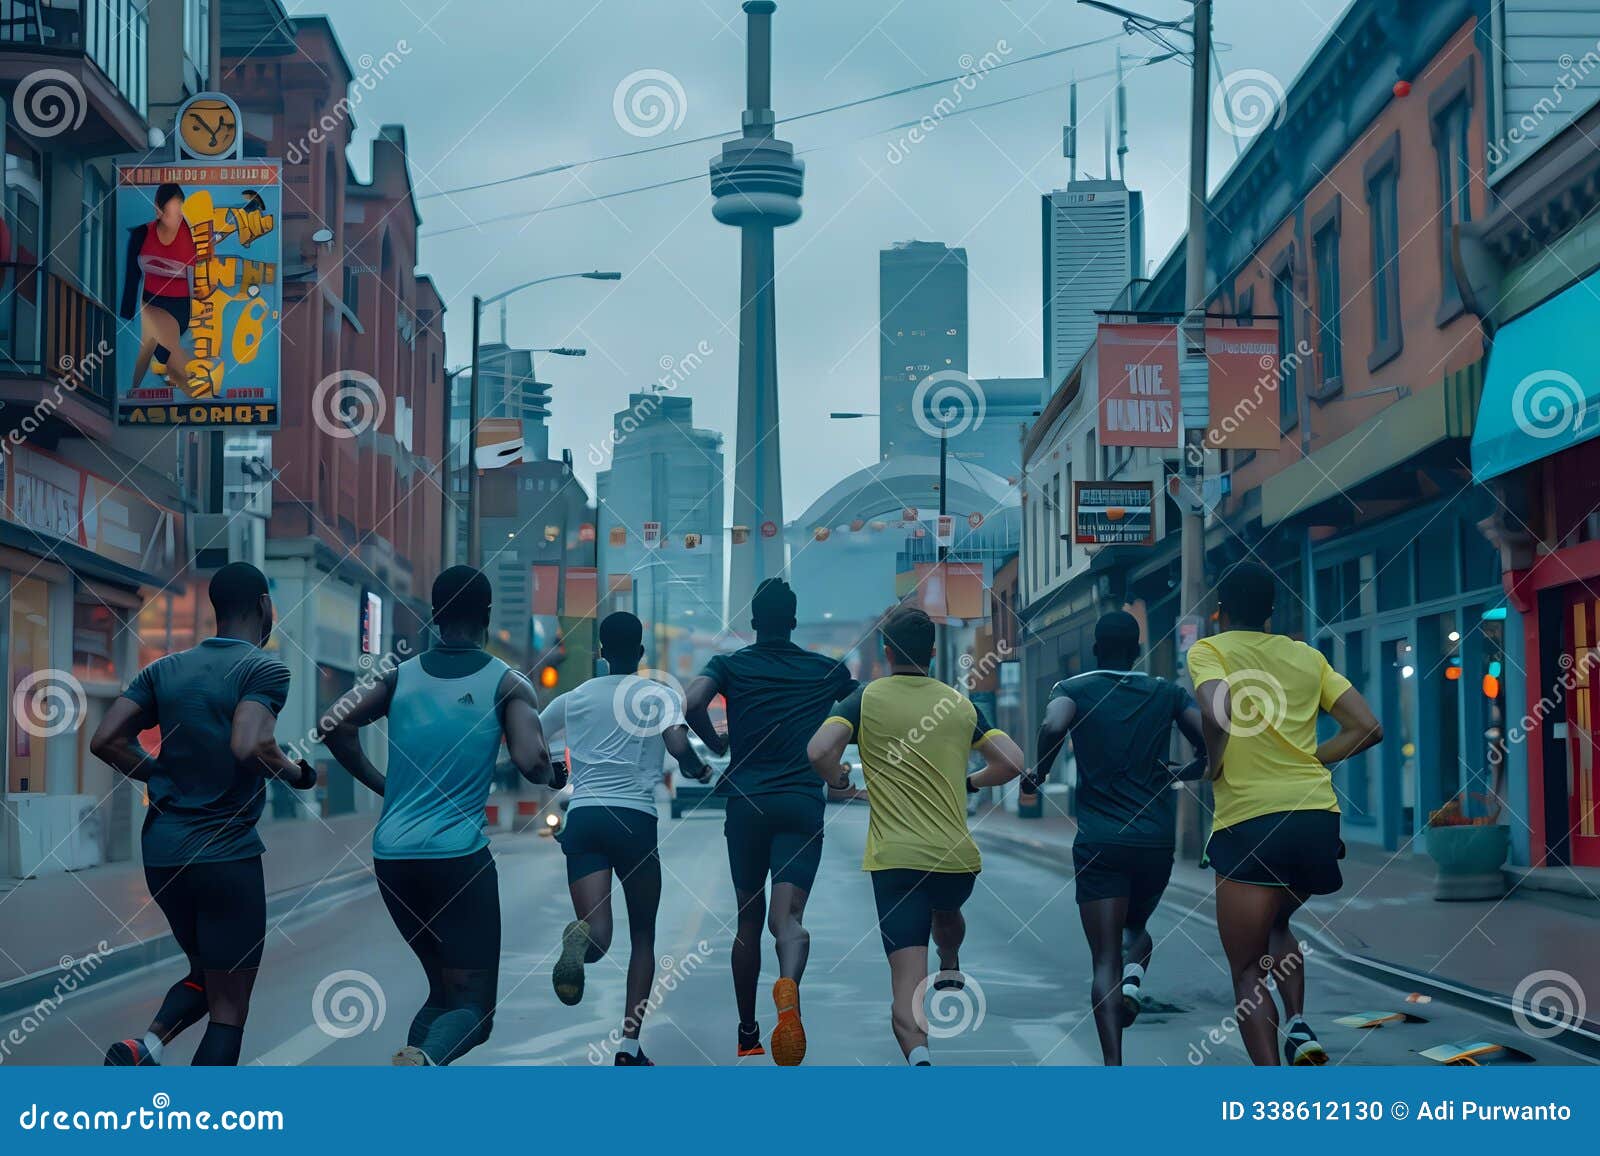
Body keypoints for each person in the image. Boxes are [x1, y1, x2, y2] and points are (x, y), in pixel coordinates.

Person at [322, 566, 555, 1066]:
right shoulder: (507, 683)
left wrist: (385, 787)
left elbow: (336, 724)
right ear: (487, 618)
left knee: (440, 993)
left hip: (394, 862)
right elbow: (532, 761)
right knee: (475, 1008)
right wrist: (554, 773)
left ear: (435, 615)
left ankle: (414, 1076)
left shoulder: (397, 677)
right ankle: (423, 1067)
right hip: (458, 861)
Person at [91, 562, 312, 1067]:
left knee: (205, 969)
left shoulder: (162, 670)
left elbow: (104, 740)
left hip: (164, 854)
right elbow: (249, 743)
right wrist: (297, 773)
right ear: (263, 606)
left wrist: (160, 774)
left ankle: (142, 1048)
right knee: (230, 1006)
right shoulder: (264, 668)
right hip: (225, 856)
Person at [807, 606, 1025, 1066]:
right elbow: (1012, 761)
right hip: (956, 860)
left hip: (896, 865)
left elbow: (819, 750)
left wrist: (840, 782)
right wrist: (970, 782)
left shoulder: (863, 700)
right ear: (931, 653)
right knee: (946, 909)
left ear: (886, 652)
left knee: (907, 992)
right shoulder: (958, 703)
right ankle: (950, 960)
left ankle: (920, 1059)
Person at [1187, 562, 1383, 1066]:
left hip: (1251, 822)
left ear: (1219, 611)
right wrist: (1308, 760)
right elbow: (1366, 727)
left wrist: (1213, 764)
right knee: (1275, 923)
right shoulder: (1307, 657)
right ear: (1272, 611)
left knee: (1247, 970)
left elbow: (1216, 710)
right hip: (1316, 818)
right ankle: (1297, 1023)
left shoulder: (1210, 650)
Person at [683, 578, 857, 1064]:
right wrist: (838, 757)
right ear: (794, 621)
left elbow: (692, 702)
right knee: (789, 920)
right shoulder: (826, 670)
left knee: (748, 922)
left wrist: (717, 746)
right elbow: (863, 710)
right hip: (801, 802)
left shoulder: (730, 665)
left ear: (754, 623)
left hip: (746, 804)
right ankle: (789, 994)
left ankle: (748, 1032)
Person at [1033, 611, 1206, 1065]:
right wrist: (1186, 772)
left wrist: (1040, 771)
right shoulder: (1166, 692)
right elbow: (1213, 737)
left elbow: (1053, 725)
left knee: (1104, 958)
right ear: (1137, 650)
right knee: (1138, 932)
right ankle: (1132, 982)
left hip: (1100, 842)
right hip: (1154, 843)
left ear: (1095, 649)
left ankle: (1114, 1067)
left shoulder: (1072, 689)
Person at [539, 612, 711, 1067]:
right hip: (634, 821)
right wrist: (700, 769)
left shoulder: (574, 698)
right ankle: (628, 1047)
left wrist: (555, 769)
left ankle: (581, 942)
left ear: (599, 652)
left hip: (586, 817)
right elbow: (678, 746)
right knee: (642, 938)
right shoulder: (657, 695)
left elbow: (531, 737)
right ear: (639, 654)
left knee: (598, 934)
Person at [120, 182, 197, 392]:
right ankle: (192, 393)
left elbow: (197, 274)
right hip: (151, 300)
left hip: (181, 305)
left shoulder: (190, 234)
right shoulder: (142, 235)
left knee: (151, 346)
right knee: (159, 347)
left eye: (181, 209)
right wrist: (127, 312)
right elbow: (132, 274)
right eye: (174, 211)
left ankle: (133, 392)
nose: (179, 215)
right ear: (159, 210)